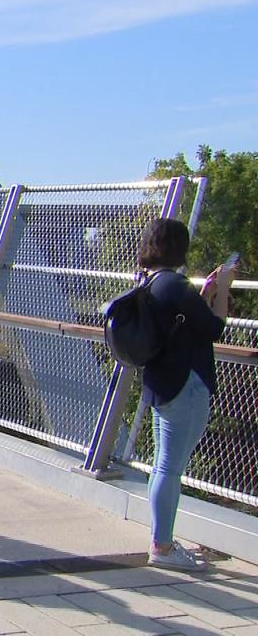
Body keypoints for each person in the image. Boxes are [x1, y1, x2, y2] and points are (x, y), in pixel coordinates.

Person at [136, 218, 232, 571]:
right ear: (179, 248)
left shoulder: (151, 283)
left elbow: (181, 321)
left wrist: (202, 295)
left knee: (162, 465)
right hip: (186, 384)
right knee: (170, 468)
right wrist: (222, 289)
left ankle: (161, 540)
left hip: (161, 383)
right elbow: (215, 327)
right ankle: (162, 547)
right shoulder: (177, 285)